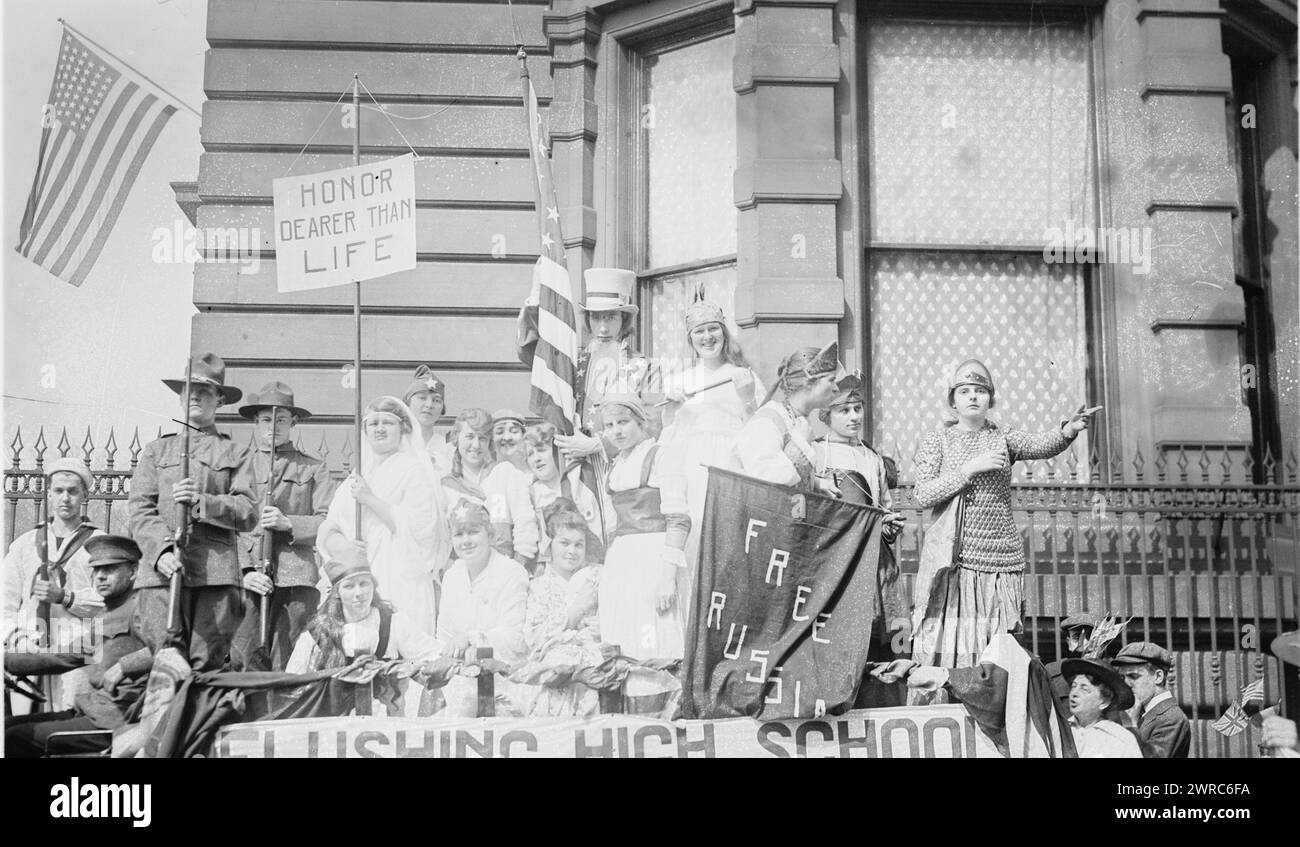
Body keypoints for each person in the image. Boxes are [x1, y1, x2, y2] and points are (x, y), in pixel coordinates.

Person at [911, 358, 1099, 669]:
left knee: (997, 647)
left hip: (1001, 558)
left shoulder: (1002, 434)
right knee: (954, 644)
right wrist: (970, 468)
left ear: (990, 399)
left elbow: (1038, 445)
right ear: (953, 400)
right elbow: (923, 493)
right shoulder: (938, 439)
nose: (973, 397)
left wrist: (1067, 430)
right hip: (956, 559)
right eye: (965, 391)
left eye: (981, 391)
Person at [127, 353, 258, 671]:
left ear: (220, 400)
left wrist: (204, 502)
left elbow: (248, 510)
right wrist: (161, 551)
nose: (196, 396)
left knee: (206, 666)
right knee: (164, 664)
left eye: (206, 391)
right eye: (188, 390)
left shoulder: (235, 453)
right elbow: (139, 509)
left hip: (214, 576)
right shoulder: (156, 451)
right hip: (161, 575)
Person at [5, 536, 156, 758]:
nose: (101, 576)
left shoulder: (142, 608)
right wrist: (7, 660)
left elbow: (169, 649)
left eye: (110, 569)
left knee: (13, 737)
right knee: (6, 727)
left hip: (118, 721)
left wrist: (124, 666)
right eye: (96, 570)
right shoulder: (108, 613)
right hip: (94, 710)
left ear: (133, 571)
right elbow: (66, 656)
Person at [545, 268, 663, 538]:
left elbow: (655, 424)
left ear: (624, 319)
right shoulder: (572, 364)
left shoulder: (647, 366)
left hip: (624, 468)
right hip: (577, 468)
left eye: (610, 317)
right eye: (596, 317)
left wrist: (599, 444)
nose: (603, 327)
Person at [811, 373, 908, 700]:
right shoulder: (816, 455)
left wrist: (889, 524)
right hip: (838, 559)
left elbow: (884, 506)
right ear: (826, 414)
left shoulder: (871, 457)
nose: (854, 417)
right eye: (844, 410)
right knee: (843, 630)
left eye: (857, 408)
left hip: (876, 559)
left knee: (891, 630)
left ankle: (884, 696)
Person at [317, 396, 447, 638]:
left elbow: (422, 528)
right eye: (373, 423)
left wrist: (371, 499)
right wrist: (344, 547)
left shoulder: (413, 470)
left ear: (403, 429)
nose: (379, 429)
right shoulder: (359, 472)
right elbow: (331, 523)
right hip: (358, 571)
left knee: (395, 639)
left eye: (387, 423)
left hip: (397, 570)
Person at [230, 383, 337, 671]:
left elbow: (330, 522)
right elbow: (225, 525)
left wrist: (288, 522)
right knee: (243, 655)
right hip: (249, 576)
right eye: (266, 419)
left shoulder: (313, 468)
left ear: (293, 423)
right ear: (255, 422)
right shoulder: (238, 466)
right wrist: (244, 572)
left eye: (281, 420)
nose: (273, 426)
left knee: (290, 656)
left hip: (295, 578)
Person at [657, 300, 764, 581]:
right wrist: (671, 409)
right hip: (693, 470)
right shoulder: (683, 380)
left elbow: (761, 435)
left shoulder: (742, 375)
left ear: (724, 332)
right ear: (690, 340)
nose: (707, 337)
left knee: (731, 539)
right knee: (695, 536)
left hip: (732, 467)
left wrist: (749, 399)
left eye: (713, 329)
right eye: (699, 332)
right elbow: (670, 441)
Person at [597, 395, 690, 663]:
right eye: (610, 425)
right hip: (623, 562)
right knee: (626, 637)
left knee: (653, 636)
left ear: (640, 422)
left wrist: (667, 576)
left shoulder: (661, 455)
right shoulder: (615, 466)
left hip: (655, 558)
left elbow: (678, 518)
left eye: (623, 422)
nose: (617, 430)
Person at [285, 546, 444, 674]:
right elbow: (293, 683)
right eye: (349, 586)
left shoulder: (392, 624)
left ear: (373, 585)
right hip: (333, 713)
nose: (359, 593)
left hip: (381, 711)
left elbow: (431, 653)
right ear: (337, 593)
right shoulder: (317, 633)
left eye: (364, 583)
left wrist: (460, 648)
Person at [437, 500, 529, 715]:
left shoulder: (511, 572)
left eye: (473, 532)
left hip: (505, 678)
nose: (466, 540)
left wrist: (470, 638)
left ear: (489, 534)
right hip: (461, 677)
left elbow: (516, 639)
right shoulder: (452, 576)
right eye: (459, 535)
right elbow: (444, 636)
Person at [3, 458, 103, 653]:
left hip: (78, 651)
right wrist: (17, 638)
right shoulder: (24, 544)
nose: (65, 498)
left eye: (73, 491)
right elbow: (5, 600)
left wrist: (63, 596)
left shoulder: (100, 543)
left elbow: (106, 603)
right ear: (49, 494)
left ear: (84, 495)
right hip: (28, 647)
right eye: (59, 491)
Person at [517, 504, 604, 717]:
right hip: (554, 669)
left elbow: (609, 620)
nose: (571, 551)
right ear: (550, 544)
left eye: (578, 545)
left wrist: (598, 626)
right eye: (564, 543)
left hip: (592, 662)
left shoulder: (596, 577)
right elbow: (534, 638)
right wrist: (575, 612)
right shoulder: (539, 586)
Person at [734, 342, 841, 491]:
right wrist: (800, 444)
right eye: (831, 380)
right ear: (809, 382)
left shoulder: (798, 420)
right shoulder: (767, 421)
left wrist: (817, 483)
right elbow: (765, 483)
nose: (836, 389)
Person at [524, 423, 604, 568]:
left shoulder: (581, 484)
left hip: (587, 565)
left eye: (541, 450)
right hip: (548, 570)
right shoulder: (529, 495)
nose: (536, 458)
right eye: (530, 454)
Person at [441, 408, 514, 561]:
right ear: (456, 438)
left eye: (482, 438)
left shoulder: (503, 473)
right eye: (469, 436)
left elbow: (524, 523)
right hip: (460, 568)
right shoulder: (445, 485)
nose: (476, 445)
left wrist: (520, 563)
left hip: (503, 564)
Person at [1112, 641, 1191, 758]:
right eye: (1122, 677)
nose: (1125, 684)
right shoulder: (1139, 711)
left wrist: (1131, 726)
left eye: (1133, 676)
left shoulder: (1172, 718)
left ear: (1158, 677)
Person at [483, 409, 540, 570]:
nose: (507, 437)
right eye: (499, 431)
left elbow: (526, 522)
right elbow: (499, 524)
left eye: (514, 431)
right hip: (508, 563)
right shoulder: (495, 476)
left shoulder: (538, 473)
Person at [1062, 655, 1142, 758]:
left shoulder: (1120, 738)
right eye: (1073, 686)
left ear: (1104, 702)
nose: (1074, 693)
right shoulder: (1059, 731)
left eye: (1084, 689)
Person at [402, 364, 454, 476]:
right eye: (422, 398)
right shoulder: (396, 443)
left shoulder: (448, 449)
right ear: (408, 403)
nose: (429, 405)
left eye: (436, 400)